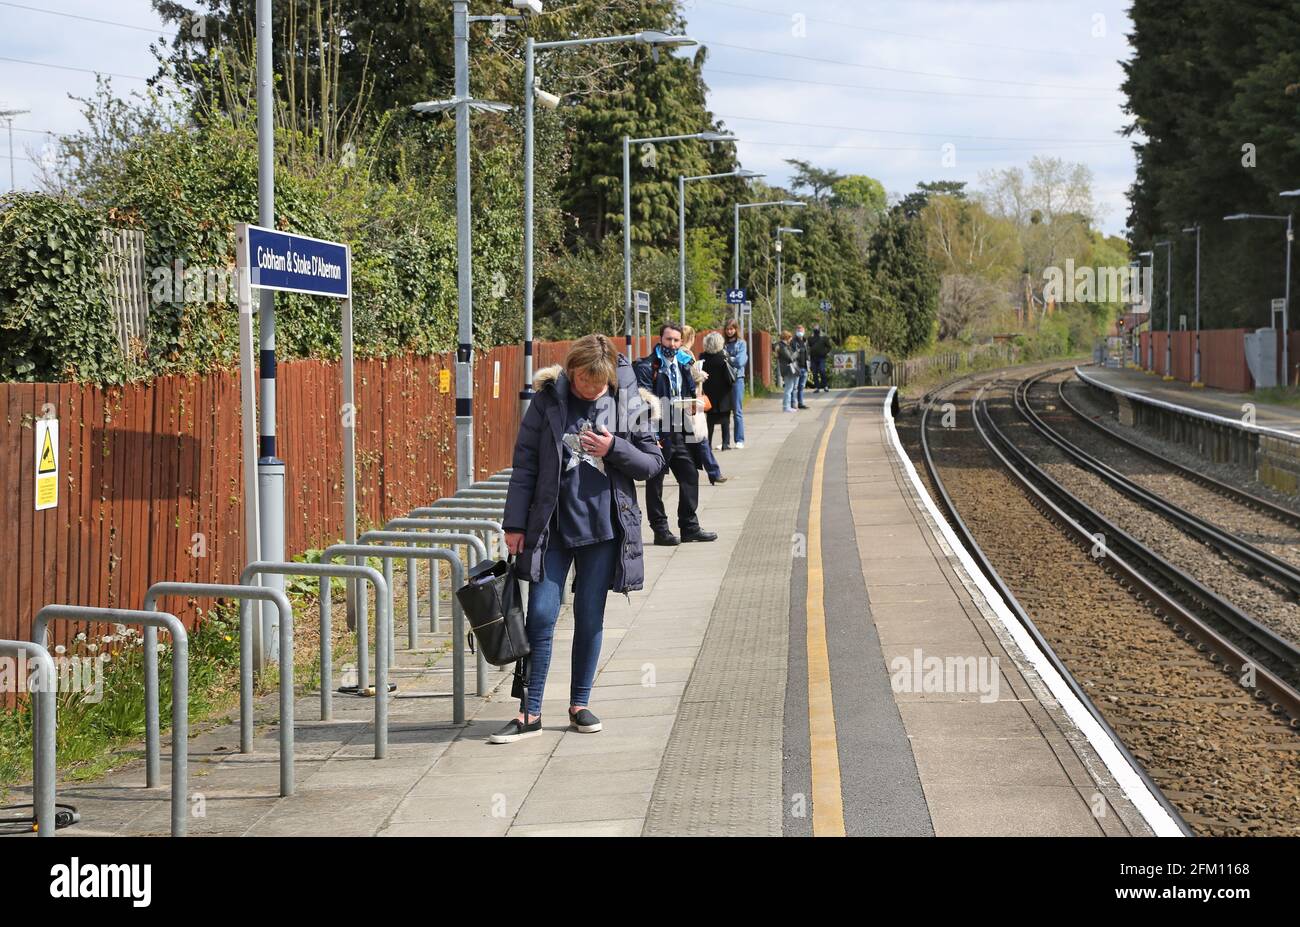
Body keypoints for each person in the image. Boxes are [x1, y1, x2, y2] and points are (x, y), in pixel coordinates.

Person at [495, 334, 664, 743]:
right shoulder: (547, 401)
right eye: (583, 381)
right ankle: (530, 711)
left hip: (605, 531)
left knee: (590, 617)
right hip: (551, 530)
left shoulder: (628, 403)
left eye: (597, 383)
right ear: (571, 371)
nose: (589, 389)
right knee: (540, 616)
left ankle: (579, 704)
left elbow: (653, 462)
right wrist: (514, 525)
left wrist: (614, 448)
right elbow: (525, 467)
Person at [634, 323, 719, 546]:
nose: (672, 344)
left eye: (676, 340)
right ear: (660, 339)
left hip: (680, 429)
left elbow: (690, 392)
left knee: (690, 474)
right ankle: (660, 530)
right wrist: (651, 434)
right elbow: (642, 401)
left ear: (682, 342)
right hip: (657, 432)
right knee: (656, 483)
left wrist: (694, 399)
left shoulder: (682, 365)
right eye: (668, 339)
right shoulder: (647, 366)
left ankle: (689, 527)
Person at [680, 325, 726, 485]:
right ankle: (713, 472)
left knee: (697, 439)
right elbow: (691, 375)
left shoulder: (682, 353)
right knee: (699, 438)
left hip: (690, 402)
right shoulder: (685, 353)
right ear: (691, 338)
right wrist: (701, 375)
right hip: (690, 402)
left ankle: (712, 472)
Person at [701, 331, 736, 453]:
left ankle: (708, 444)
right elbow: (730, 376)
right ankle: (725, 443)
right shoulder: (723, 357)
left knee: (709, 420)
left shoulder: (702, 357)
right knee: (725, 419)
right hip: (724, 393)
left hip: (709, 393)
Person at [722, 319, 748, 448]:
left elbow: (740, 361)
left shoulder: (742, 343)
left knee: (737, 411)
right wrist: (731, 358)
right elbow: (721, 360)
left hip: (738, 379)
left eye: (732, 329)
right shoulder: (723, 344)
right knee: (725, 411)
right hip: (725, 380)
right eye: (727, 329)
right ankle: (725, 441)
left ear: (736, 329)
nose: (729, 331)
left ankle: (739, 439)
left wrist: (728, 358)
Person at [776, 331, 799, 412]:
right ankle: (786, 407)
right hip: (787, 369)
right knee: (788, 389)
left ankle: (787, 406)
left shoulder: (783, 346)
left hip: (787, 369)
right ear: (787, 338)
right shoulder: (783, 347)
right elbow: (790, 358)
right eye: (790, 338)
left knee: (789, 388)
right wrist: (797, 353)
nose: (791, 340)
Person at [808, 324, 834, 392]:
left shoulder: (824, 338)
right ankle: (817, 387)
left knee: (822, 371)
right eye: (814, 328)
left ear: (819, 329)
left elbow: (829, 347)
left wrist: (824, 352)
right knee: (814, 372)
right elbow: (810, 346)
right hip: (813, 358)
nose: (816, 329)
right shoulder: (810, 338)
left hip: (821, 358)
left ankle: (825, 386)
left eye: (817, 328)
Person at [792, 325, 810, 409]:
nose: (800, 331)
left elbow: (808, 354)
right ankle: (793, 404)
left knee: (801, 387)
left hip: (805, 367)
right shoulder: (793, 341)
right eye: (798, 330)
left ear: (804, 331)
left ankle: (801, 403)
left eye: (801, 330)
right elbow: (792, 354)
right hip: (797, 367)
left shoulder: (805, 341)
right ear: (796, 331)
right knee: (795, 387)